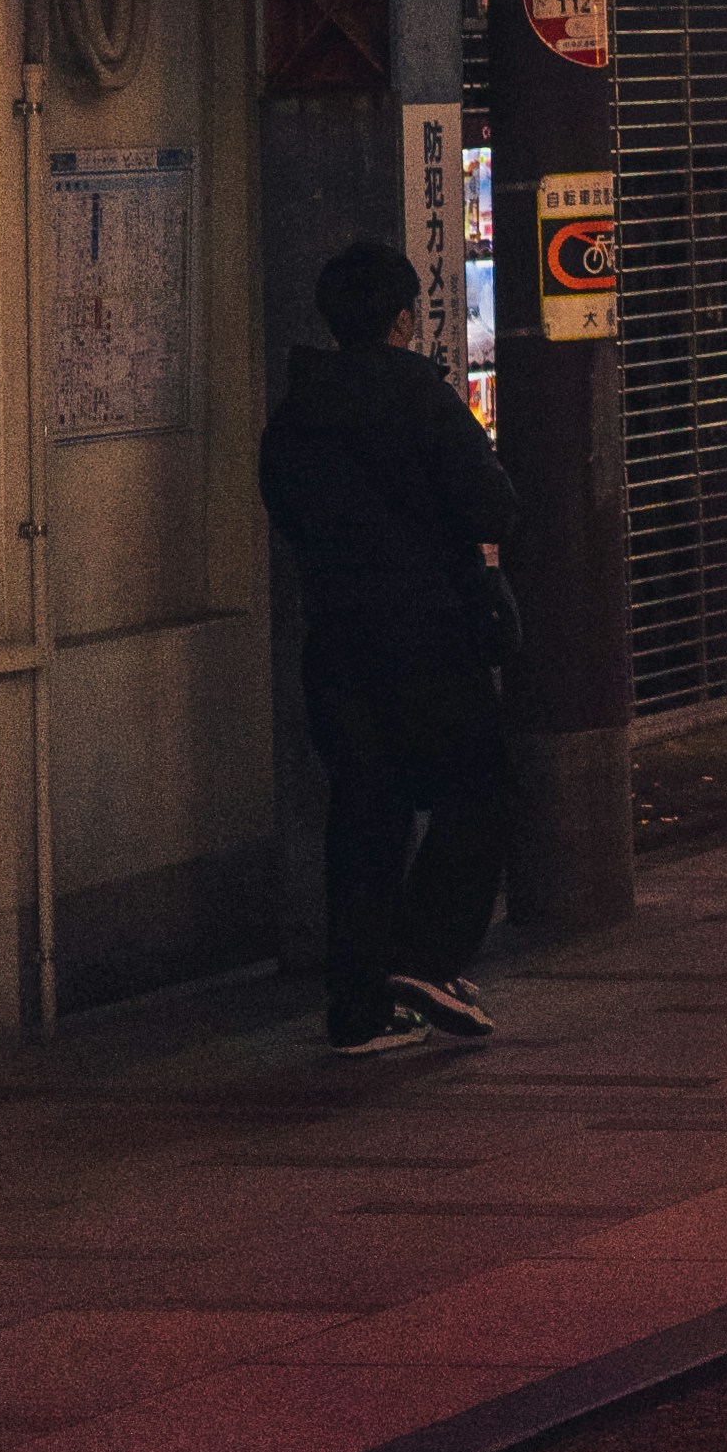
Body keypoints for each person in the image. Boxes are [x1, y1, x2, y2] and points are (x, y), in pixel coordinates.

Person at [256, 238, 518, 1056]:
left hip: (336, 641)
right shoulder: (420, 398)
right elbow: (494, 508)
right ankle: (427, 958)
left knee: (365, 814)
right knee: (480, 786)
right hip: (430, 639)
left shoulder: (295, 412)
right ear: (405, 318)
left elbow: (289, 514)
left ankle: (358, 1009)